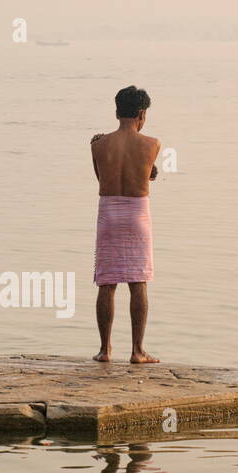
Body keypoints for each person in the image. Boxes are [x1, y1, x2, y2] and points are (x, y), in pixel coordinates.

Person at [89, 85, 162, 364]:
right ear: (142, 113)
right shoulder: (152, 144)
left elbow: (101, 178)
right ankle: (137, 351)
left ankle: (105, 350)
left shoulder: (98, 144)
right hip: (136, 215)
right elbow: (146, 174)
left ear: (117, 111)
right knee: (138, 282)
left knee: (106, 283)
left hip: (108, 214)